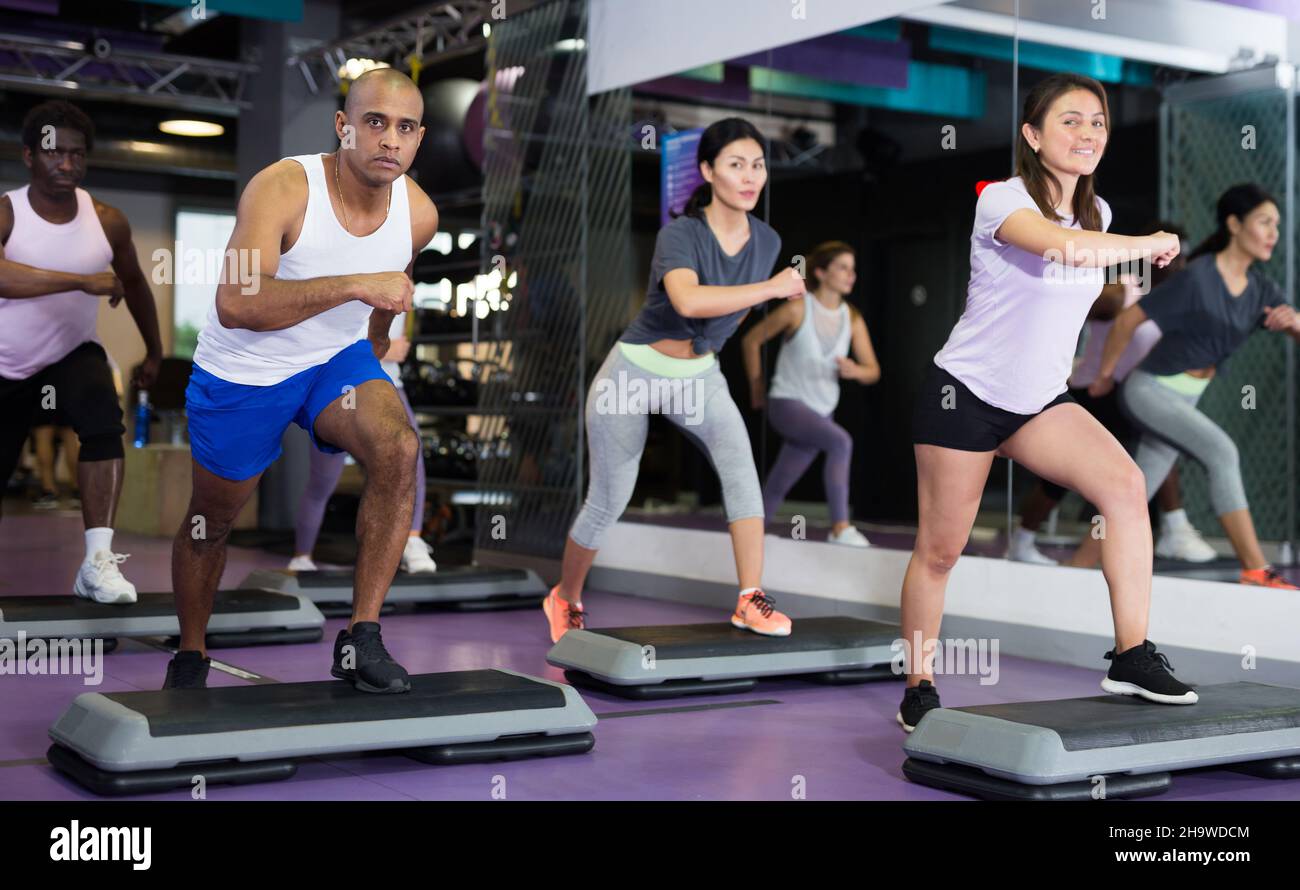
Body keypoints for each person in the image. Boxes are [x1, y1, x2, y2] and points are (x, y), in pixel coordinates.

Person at [899, 73, 1197, 733]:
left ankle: (1131, 654)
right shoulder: (1002, 200)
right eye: (1070, 120)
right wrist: (1146, 248)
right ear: (1033, 136)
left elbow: (1080, 278)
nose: (1087, 132)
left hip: (1038, 401)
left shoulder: (1100, 215)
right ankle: (918, 683)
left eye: (1097, 121)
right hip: (965, 395)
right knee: (941, 551)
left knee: (1125, 485)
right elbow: (1062, 250)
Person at [167, 68, 439, 690]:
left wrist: (366, 359)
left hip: (332, 364)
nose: (389, 140)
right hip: (244, 367)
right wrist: (353, 283)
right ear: (344, 126)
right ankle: (190, 653)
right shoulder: (284, 187)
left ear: (420, 139)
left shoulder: (418, 214)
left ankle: (361, 637)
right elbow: (237, 302)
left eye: (404, 128)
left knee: (399, 447)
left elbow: (382, 308)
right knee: (214, 517)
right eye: (374, 122)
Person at [542, 117, 804, 643]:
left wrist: (717, 341)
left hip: (698, 375)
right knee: (610, 497)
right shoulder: (680, 233)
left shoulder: (767, 240)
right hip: (635, 371)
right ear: (708, 172)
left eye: (758, 165)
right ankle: (565, 596)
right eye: (736, 165)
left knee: (741, 473)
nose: (750, 176)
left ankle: (750, 598)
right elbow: (688, 299)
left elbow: (729, 316)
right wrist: (771, 289)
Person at [1093, 184, 1299, 589]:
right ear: (1235, 224)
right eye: (1264, 222)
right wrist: (1105, 375)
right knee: (1222, 452)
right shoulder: (1199, 277)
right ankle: (1256, 569)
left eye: (1277, 224)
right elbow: (1127, 319)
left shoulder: (1260, 290)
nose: (1273, 232)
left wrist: (1293, 324)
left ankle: (1081, 564)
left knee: (1136, 487)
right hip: (1150, 389)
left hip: (1186, 399)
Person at [0, 100, 163, 603]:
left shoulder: (107, 221)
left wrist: (154, 352)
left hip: (71, 353)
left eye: (77, 154)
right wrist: (80, 281)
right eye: (55, 154)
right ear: (29, 156)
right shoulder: (7, 213)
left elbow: (134, 284)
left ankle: (97, 562)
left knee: (100, 418)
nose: (67, 164)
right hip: (5, 364)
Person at [1009, 224, 1218, 566]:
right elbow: (1092, 303)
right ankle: (1022, 540)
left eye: (1180, 255)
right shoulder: (1124, 289)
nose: (1174, 262)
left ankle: (1174, 530)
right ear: (1147, 257)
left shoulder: (1174, 304)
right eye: (1166, 254)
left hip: (1133, 396)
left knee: (1163, 446)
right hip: (1095, 394)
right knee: (1058, 480)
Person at [742, 240, 879, 547]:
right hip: (787, 403)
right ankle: (840, 527)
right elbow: (751, 340)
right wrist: (756, 385)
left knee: (780, 481)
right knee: (841, 442)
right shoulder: (796, 309)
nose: (850, 275)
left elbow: (873, 370)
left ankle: (749, 535)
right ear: (820, 272)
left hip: (821, 410)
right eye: (842, 267)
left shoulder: (853, 319)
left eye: (853, 269)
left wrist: (855, 371)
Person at [288, 311, 436, 574]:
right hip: (341, 386)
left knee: (411, 457)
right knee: (323, 479)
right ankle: (302, 555)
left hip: (390, 383)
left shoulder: (404, 283)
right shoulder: (348, 281)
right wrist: (385, 350)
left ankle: (411, 540)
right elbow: (328, 339)